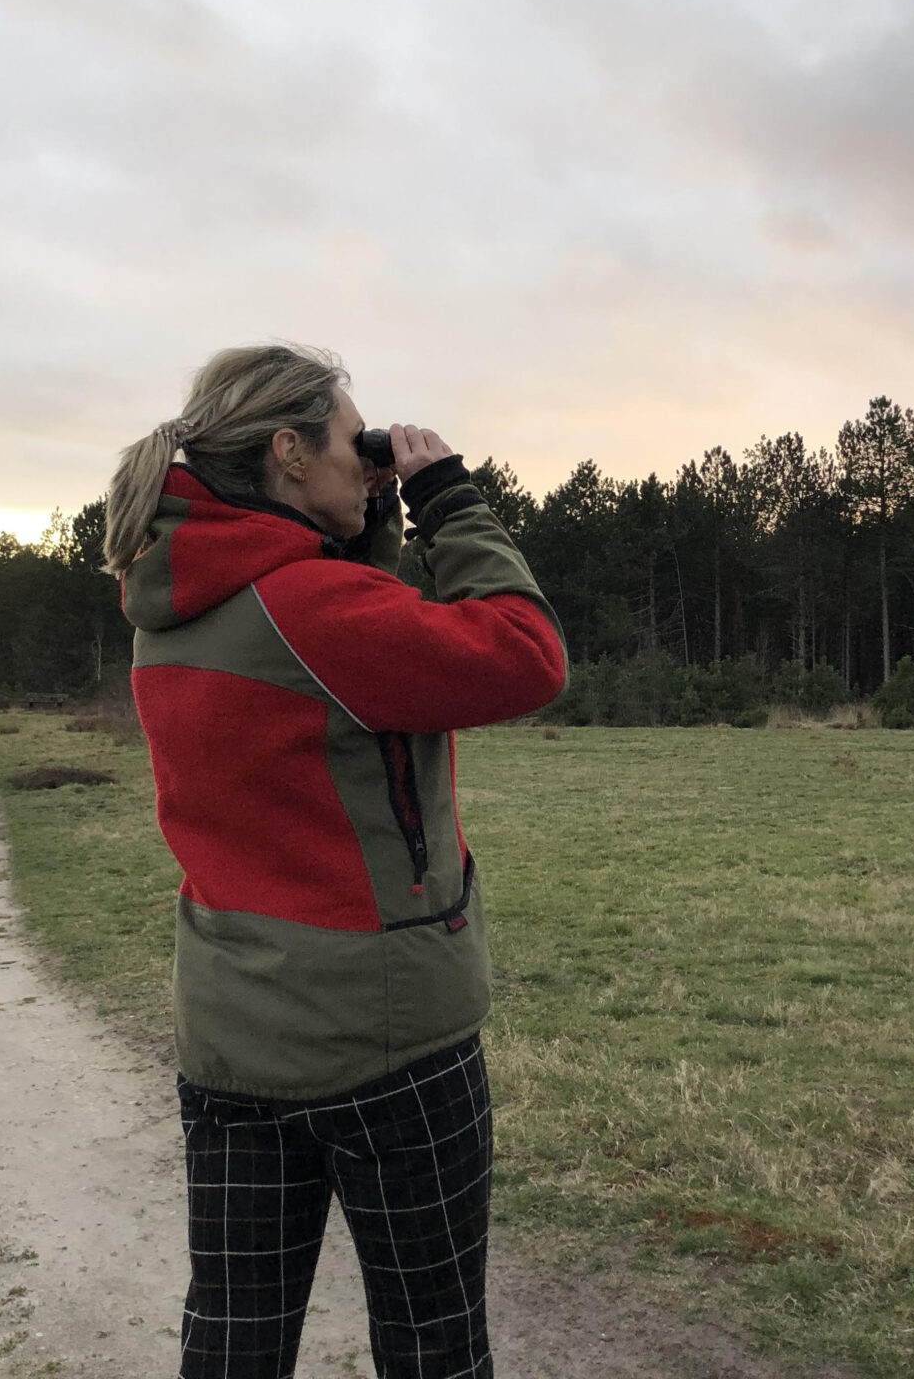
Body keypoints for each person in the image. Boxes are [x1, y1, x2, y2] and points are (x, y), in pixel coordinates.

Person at [101, 343, 566, 1379]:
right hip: (384, 1037)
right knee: (433, 1341)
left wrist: (366, 532)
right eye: (350, 441)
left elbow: (337, 673)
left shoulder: (172, 608)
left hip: (231, 1031)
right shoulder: (308, 612)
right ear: (286, 451)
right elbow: (526, 657)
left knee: (234, 1338)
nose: (368, 461)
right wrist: (450, 498)